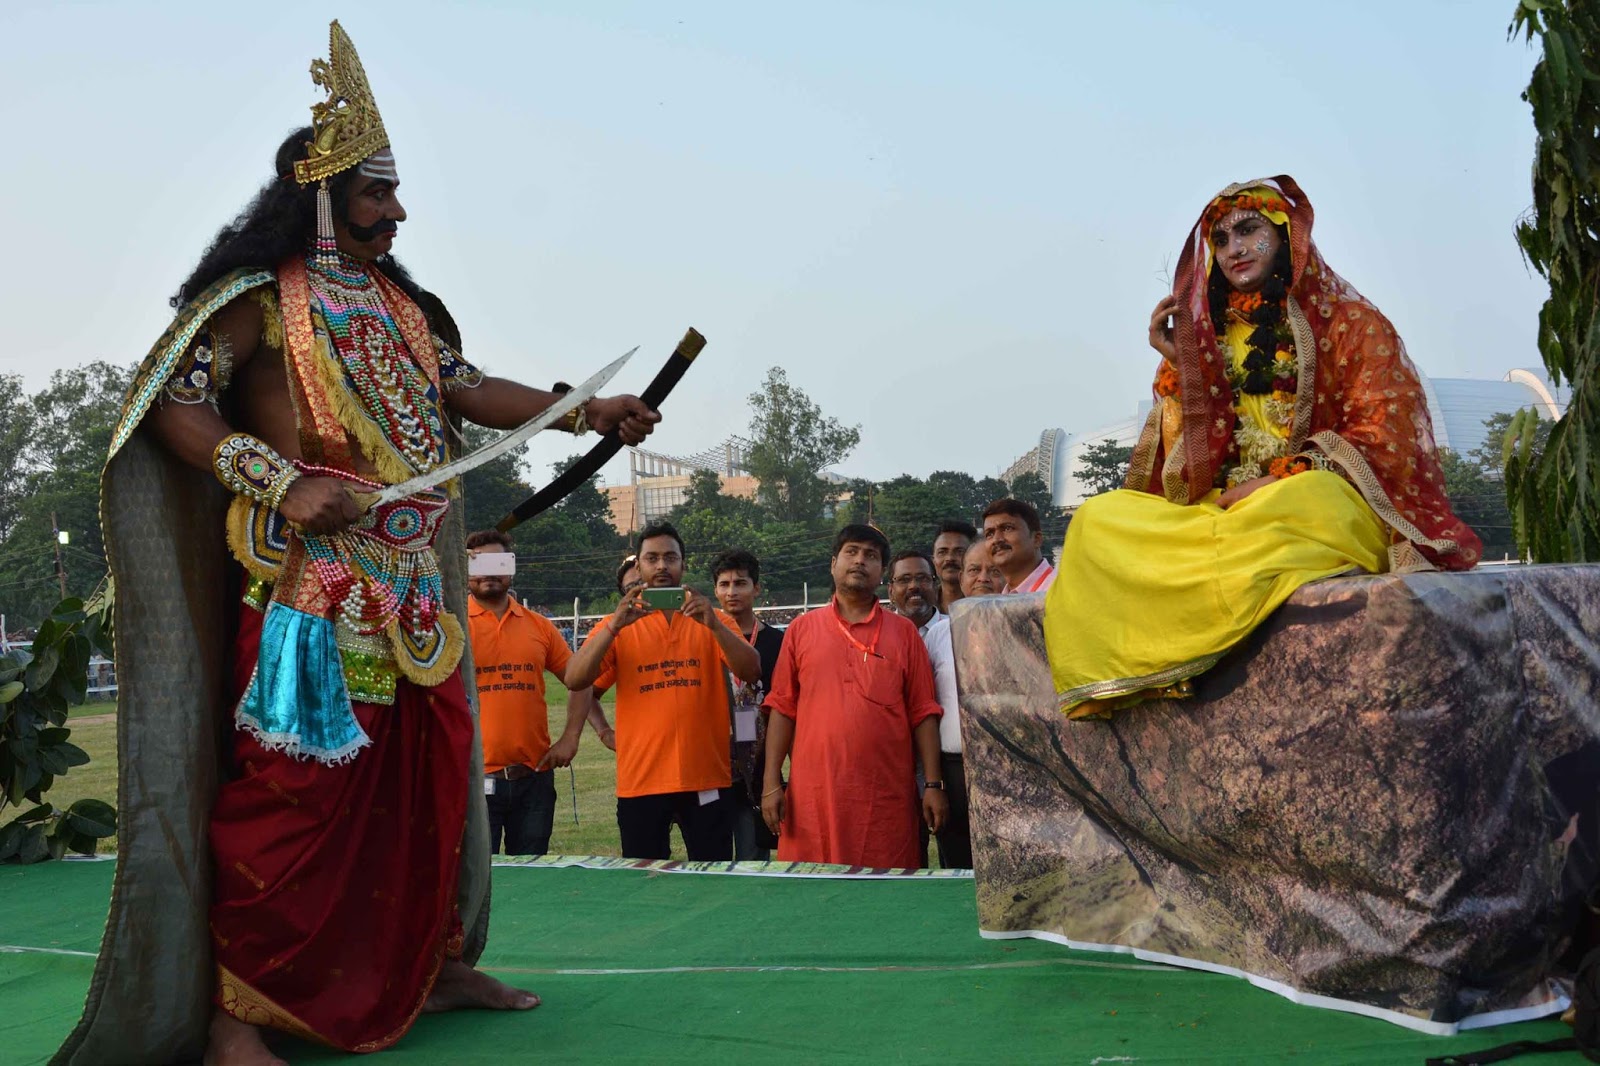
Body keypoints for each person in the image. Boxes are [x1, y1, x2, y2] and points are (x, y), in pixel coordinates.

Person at [71, 22, 660, 1066]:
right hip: (309, 595)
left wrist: (585, 408)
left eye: (394, 192)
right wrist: (282, 478)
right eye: (373, 193)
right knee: (294, 804)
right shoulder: (253, 305)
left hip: (412, 597)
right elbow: (173, 408)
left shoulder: (399, 306)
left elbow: (468, 390)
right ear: (318, 198)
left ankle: (430, 967)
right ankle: (232, 1017)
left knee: (426, 793)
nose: (396, 211)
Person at [1045, 176, 1481, 719]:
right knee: (1097, 522)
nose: (1234, 250)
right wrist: (1183, 365)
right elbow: (1185, 473)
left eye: (1249, 231)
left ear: (1285, 236)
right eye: (1221, 240)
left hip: (1303, 503)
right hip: (1219, 515)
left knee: (1312, 497)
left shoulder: (1351, 325)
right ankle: (1168, 662)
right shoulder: (1204, 337)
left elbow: (1381, 435)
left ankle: (1191, 640)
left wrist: (1278, 478)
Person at [565, 522, 761, 860]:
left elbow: (752, 670)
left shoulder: (711, 618)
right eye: (652, 558)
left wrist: (713, 625)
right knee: (645, 888)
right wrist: (614, 627)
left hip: (705, 777)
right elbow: (574, 678)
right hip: (641, 781)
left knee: (711, 885)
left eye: (670, 558)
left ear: (684, 564)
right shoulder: (619, 623)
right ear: (638, 566)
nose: (661, 567)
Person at [762, 526, 947, 869]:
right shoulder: (802, 630)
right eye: (852, 551)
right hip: (813, 797)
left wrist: (933, 784)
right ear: (833, 563)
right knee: (812, 896)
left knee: (882, 897)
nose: (860, 560)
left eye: (871, 556)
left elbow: (923, 711)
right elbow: (782, 707)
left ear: (882, 575)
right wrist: (771, 781)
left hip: (884, 797)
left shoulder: (903, 633)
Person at [466, 529, 603, 856]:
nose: (489, 571)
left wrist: (571, 737)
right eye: (478, 563)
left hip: (534, 780)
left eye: (497, 561)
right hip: (473, 781)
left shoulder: (539, 626)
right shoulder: (453, 626)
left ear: (510, 567)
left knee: (531, 878)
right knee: (473, 882)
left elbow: (579, 679)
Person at [886, 550, 971, 869]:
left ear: (936, 584)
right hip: (898, 763)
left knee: (955, 849)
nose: (914, 587)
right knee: (907, 850)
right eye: (904, 579)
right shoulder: (880, 638)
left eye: (922, 578)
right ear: (890, 589)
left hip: (948, 763)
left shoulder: (955, 631)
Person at [711, 549, 786, 862]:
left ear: (756, 588)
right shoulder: (704, 637)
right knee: (709, 859)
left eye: (740, 583)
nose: (731, 592)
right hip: (713, 769)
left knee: (753, 862)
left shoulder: (778, 643)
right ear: (715, 590)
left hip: (760, 769)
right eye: (724, 584)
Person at [982, 498, 1056, 593]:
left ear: (1036, 539)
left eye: (1007, 528)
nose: (996, 539)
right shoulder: (1000, 599)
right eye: (989, 534)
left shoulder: (1063, 589)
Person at [931, 519, 977, 610]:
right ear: (933, 561)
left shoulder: (985, 603)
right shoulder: (924, 606)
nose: (950, 558)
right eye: (942, 552)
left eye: (959, 552)